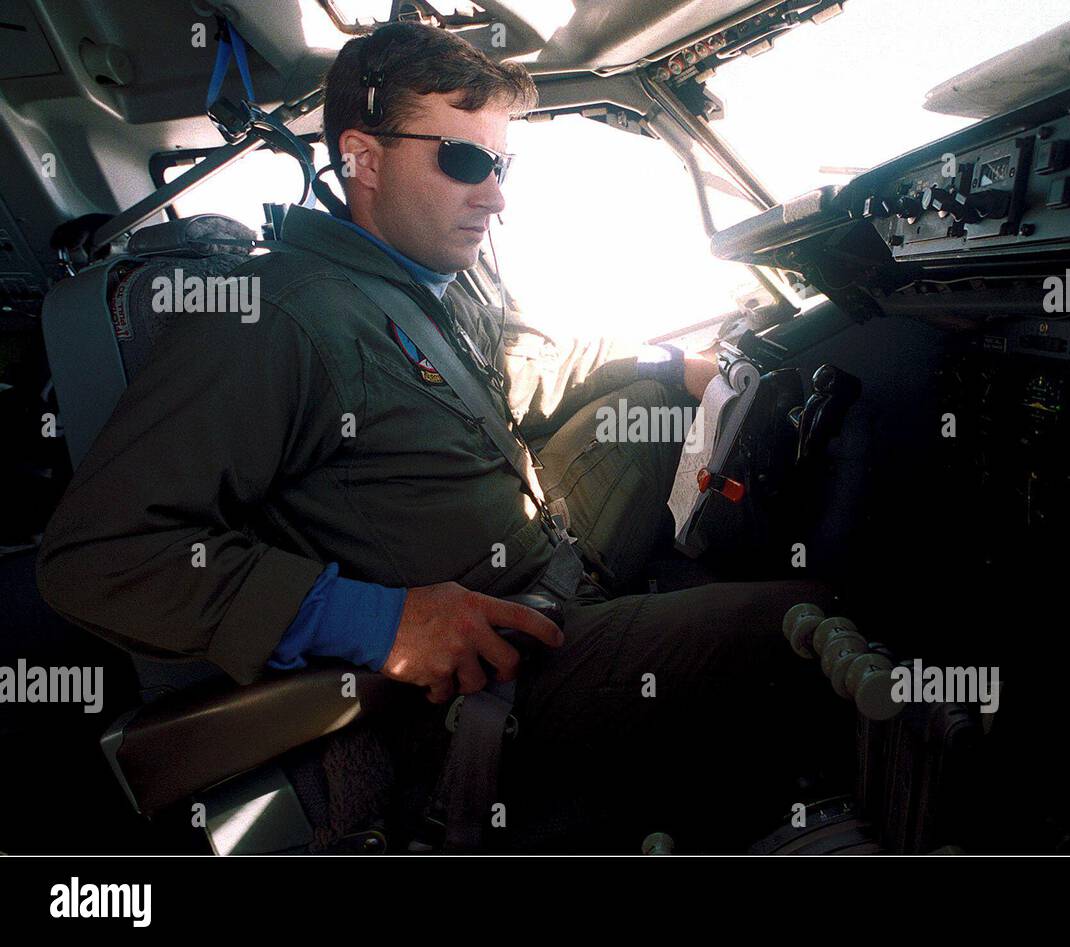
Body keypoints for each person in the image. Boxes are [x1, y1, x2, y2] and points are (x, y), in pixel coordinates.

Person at [36, 21, 845, 851]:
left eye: (501, 164)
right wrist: (381, 623)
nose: (495, 195)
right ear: (364, 159)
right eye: (463, 160)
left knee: (665, 411)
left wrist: (680, 367)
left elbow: (541, 366)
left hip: (548, 569)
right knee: (808, 628)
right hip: (486, 683)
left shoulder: (427, 285)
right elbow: (97, 556)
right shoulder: (275, 318)